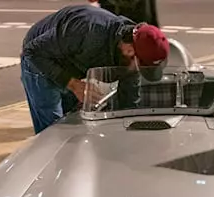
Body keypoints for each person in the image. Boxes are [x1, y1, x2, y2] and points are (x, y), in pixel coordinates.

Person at [20, 4, 169, 133]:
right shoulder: (88, 29)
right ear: (130, 51)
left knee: (70, 125)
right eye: (138, 66)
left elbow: (128, 103)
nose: (135, 71)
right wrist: (73, 84)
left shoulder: (135, 55)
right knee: (52, 130)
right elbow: (32, 52)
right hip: (41, 57)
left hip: (72, 60)